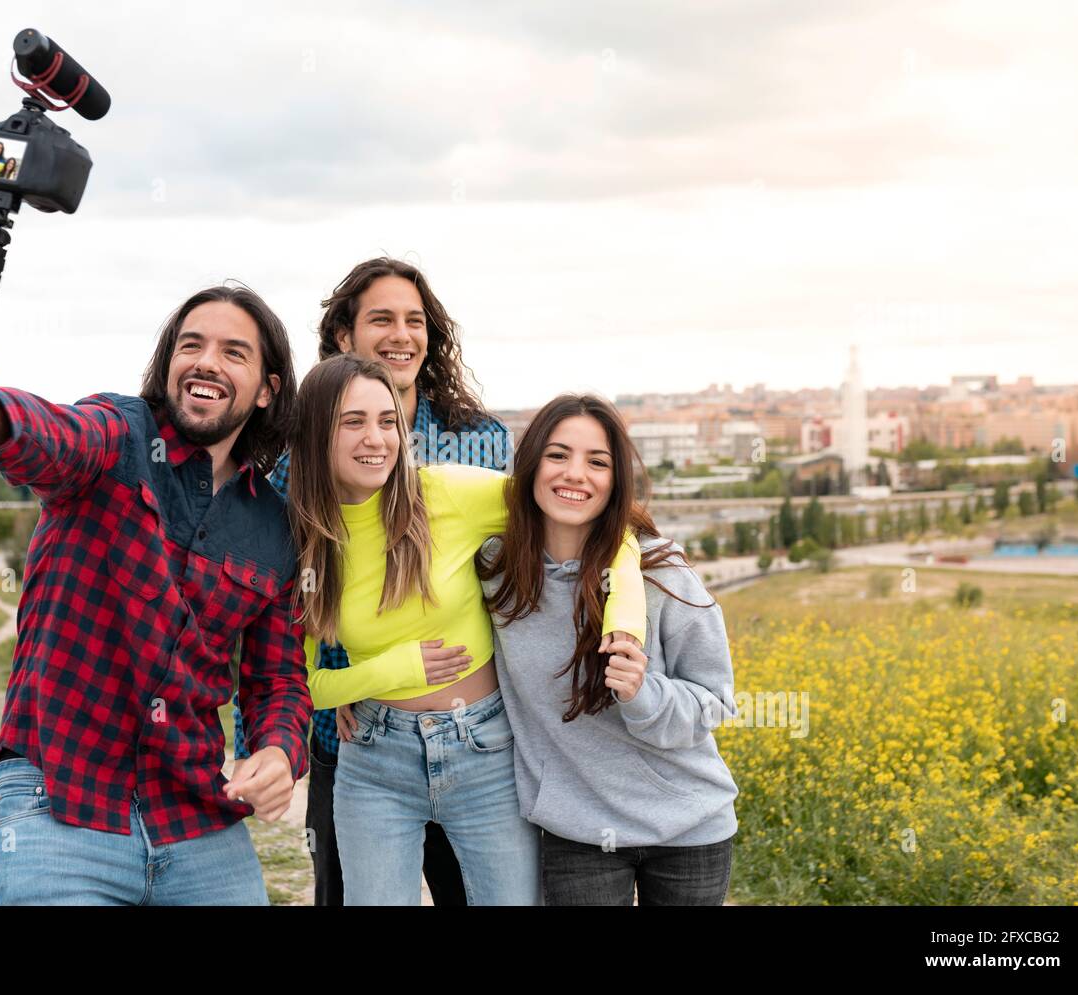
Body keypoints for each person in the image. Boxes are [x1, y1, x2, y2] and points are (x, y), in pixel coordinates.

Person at [0, 284, 312, 905]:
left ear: (267, 389)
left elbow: (277, 679)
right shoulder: (118, 435)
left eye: (233, 352)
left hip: (195, 816)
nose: (205, 362)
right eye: (190, 345)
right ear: (169, 363)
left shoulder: (275, 529)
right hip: (59, 799)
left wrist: (279, 750)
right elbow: (50, 437)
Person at [289, 354, 648, 905]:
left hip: (487, 753)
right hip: (374, 760)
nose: (376, 439)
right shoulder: (305, 539)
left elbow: (601, 523)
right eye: (352, 421)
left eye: (388, 421)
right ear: (317, 431)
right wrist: (380, 674)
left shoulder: (446, 493)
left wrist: (625, 623)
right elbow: (297, 685)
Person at [233, 257, 510, 906]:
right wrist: (350, 677)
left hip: (472, 728)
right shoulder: (295, 462)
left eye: (415, 321)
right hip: (353, 736)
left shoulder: (483, 442)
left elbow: (515, 578)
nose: (401, 335)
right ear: (342, 337)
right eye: (381, 319)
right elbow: (285, 592)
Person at [475, 394, 739, 906]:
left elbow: (715, 700)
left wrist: (643, 694)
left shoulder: (661, 574)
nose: (576, 474)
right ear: (529, 466)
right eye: (558, 455)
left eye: (597, 462)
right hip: (579, 832)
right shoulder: (495, 574)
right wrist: (362, 687)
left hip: (689, 830)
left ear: (616, 482)